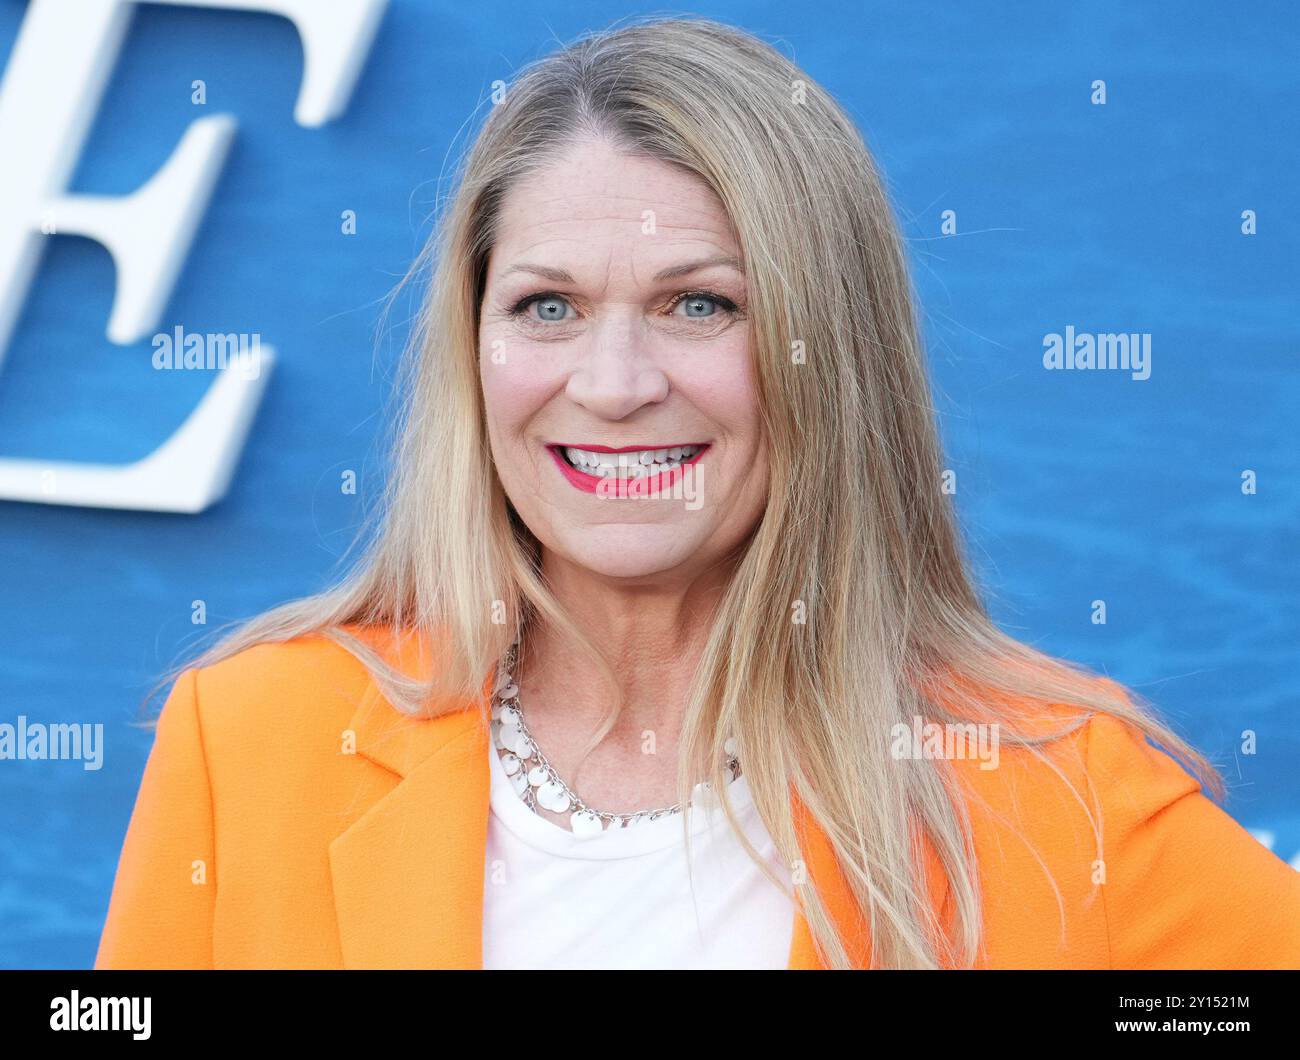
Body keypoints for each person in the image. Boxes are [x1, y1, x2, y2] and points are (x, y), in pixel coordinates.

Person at [94, 15, 1300, 970]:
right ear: (472, 348)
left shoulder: (1063, 791)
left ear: (831, 349)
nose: (612, 385)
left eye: (700, 304)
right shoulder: (248, 742)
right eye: (546, 306)